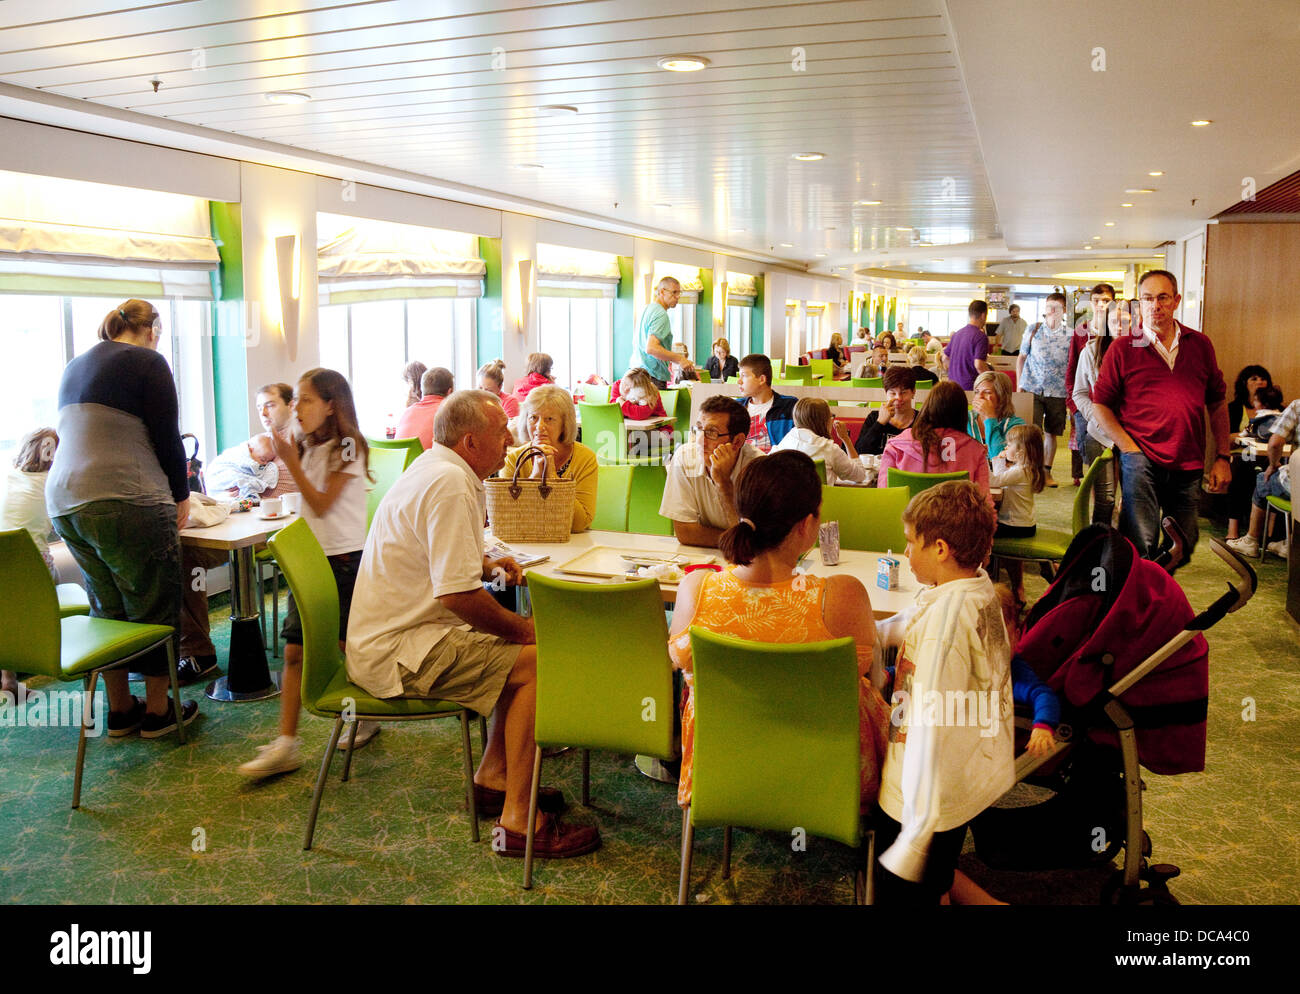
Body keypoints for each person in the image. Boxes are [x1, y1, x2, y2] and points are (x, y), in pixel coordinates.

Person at [345, 391, 600, 858]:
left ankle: (493, 778)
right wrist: (523, 628)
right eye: (501, 431)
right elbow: (456, 597)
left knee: (512, 652)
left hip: (393, 635)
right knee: (538, 660)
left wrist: (483, 562)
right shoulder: (449, 483)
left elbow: (437, 557)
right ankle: (519, 822)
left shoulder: (433, 468)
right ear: (470, 441)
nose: (510, 439)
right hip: (402, 651)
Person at [667, 450, 890, 810]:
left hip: (722, 769)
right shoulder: (841, 597)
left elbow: (678, 662)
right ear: (805, 525)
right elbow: (871, 679)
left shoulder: (696, 589)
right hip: (827, 779)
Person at [46, 299, 198, 738]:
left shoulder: (75, 364)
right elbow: (168, 437)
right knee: (154, 601)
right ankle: (156, 711)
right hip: (125, 494)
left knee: (106, 605)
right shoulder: (149, 361)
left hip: (65, 501)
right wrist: (181, 495)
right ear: (153, 329)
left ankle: (119, 710)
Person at [872, 480, 1014, 905]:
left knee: (903, 895)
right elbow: (903, 622)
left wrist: (914, 837)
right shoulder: (973, 587)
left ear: (940, 549)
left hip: (919, 798)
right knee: (935, 883)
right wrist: (865, 633)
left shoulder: (945, 630)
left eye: (910, 544)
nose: (905, 554)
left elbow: (932, 731)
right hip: (961, 781)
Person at [239, 369, 372, 777]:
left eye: (307, 399)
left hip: (345, 557)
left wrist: (290, 460)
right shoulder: (309, 445)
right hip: (314, 557)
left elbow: (320, 502)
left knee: (349, 645)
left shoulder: (348, 447)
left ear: (331, 404)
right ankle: (286, 744)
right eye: (295, 399)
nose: (298, 408)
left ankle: (367, 713)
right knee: (294, 649)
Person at [1091, 270, 1232, 566]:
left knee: (1182, 543)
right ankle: (1138, 603)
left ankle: (1156, 594)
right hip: (1141, 459)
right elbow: (1100, 405)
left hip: (1188, 460)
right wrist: (1128, 447)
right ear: (1139, 304)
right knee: (1141, 543)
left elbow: (1217, 403)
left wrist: (1222, 456)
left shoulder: (1200, 345)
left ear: (1176, 301)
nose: (1156, 305)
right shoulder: (1123, 348)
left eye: (1163, 297)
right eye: (1148, 298)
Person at [179, 382, 302, 685]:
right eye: (259, 405)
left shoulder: (307, 442)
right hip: (246, 523)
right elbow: (223, 471)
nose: (262, 411)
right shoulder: (256, 446)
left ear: (292, 405)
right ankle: (198, 653)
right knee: (184, 556)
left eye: (271, 404)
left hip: (286, 532)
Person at [660, 395, 760, 547]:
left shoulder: (757, 467)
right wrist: (734, 540)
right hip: (706, 556)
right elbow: (685, 532)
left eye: (712, 433)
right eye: (699, 429)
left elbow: (754, 541)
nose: (700, 441)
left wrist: (723, 482)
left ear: (737, 441)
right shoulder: (685, 458)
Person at [2, 427, 58, 697]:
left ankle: (8, 679)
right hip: (37, 568)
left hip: (5, 562)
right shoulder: (52, 482)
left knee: (7, 610)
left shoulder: (9, 477)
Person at [501, 384, 597, 533]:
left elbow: (579, 524)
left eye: (549, 419)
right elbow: (509, 518)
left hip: (572, 543)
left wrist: (552, 477)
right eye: (533, 417)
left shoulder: (585, 458)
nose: (539, 427)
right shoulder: (513, 459)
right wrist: (535, 476)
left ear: (564, 424)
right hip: (526, 543)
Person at [878, 381, 992, 503]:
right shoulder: (975, 450)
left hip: (908, 520)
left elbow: (884, 496)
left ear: (927, 407)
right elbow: (985, 503)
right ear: (962, 414)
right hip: (959, 521)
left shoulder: (896, 445)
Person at [1072, 300, 1130, 527]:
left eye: (1125, 322)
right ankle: (1100, 547)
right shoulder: (1091, 351)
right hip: (1100, 434)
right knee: (1105, 501)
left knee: (1134, 500)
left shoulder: (1144, 352)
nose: (1119, 326)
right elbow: (1079, 393)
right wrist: (1099, 416)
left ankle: (1129, 549)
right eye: (1114, 322)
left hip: (1135, 435)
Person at [1226, 396, 1298, 558]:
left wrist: (1273, 465)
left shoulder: (1296, 407)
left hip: (1295, 484)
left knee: (1264, 479)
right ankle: (1286, 540)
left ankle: (1251, 540)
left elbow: (1274, 444)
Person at [1016, 291, 1071, 487]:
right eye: (1049, 308)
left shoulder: (1070, 334)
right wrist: (1019, 386)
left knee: (1052, 433)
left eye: (1057, 308)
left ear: (1064, 310)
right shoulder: (1033, 330)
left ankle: (1047, 472)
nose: (1052, 311)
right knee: (1032, 431)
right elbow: (1022, 358)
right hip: (1032, 387)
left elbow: (1072, 364)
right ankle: (1032, 471)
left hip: (1058, 391)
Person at [988, 424, 1047, 601]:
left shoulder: (1021, 471)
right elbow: (1002, 477)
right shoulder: (1026, 470)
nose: (1006, 448)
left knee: (981, 534)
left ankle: (988, 581)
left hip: (1015, 526)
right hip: (1025, 525)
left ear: (1021, 451)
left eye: (1009, 445)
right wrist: (1001, 460)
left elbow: (995, 480)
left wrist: (989, 459)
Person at [1065, 285, 1117, 484]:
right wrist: (1074, 405)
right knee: (1091, 456)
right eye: (1096, 301)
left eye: (1105, 301)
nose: (1100, 305)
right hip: (1085, 403)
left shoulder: (1119, 330)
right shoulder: (1081, 332)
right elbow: (1072, 367)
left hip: (1112, 406)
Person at [1223, 364, 1273, 540]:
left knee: (1272, 471)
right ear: (1245, 383)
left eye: (1263, 378)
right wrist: (1250, 431)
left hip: (1269, 456)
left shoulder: (1277, 409)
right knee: (1245, 465)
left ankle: (1270, 535)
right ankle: (1233, 530)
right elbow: (1226, 439)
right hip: (1241, 454)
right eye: (1254, 379)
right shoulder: (1235, 407)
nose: (1260, 382)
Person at [774, 397, 867, 485]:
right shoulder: (829, 449)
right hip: (822, 500)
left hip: (787, 500)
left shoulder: (787, 440)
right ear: (825, 421)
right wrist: (846, 439)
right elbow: (860, 475)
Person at [630, 277, 694, 388]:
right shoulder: (661, 314)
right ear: (662, 292)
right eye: (674, 292)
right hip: (652, 376)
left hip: (635, 374)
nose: (677, 297)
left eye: (679, 293)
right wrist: (680, 359)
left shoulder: (648, 309)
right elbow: (651, 348)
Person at [735, 353, 796, 452]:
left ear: (762, 379)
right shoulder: (736, 407)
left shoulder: (789, 406)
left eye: (744, 376)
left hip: (775, 463)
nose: (739, 381)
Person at [611, 367, 672, 461]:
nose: (625, 388)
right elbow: (613, 409)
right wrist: (627, 405)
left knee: (629, 438)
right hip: (632, 432)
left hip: (661, 432)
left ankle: (633, 467)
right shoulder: (617, 385)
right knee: (621, 437)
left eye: (631, 387)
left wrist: (622, 403)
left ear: (641, 390)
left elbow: (640, 414)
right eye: (624, 383)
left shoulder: (651, 392)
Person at [855, 365, 918, 456]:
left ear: (913, 392)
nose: (898, 398)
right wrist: (880, 423)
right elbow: (860, 451)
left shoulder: (922, 420)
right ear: (886, 393)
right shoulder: (874, 418)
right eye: (893, 393)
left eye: (903, 393)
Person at [395, 367, 454, 451]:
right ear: (450, 392)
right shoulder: (448, 413)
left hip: (400, 463)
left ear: (422, 391)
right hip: (429, 463)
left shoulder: (407, 412)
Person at [969, 370, 1024, 459]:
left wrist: (989, 418)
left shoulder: (1016, 425)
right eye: (977, 391)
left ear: (1002, 396)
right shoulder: (964, 418)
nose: (980, 396)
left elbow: (1000, 460)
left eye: (987, 392)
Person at [942, 300, 992, 391]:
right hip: (970, 387)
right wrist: (992, 381)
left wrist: (956, 373)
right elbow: (979, 365)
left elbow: (945, 358)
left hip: (952, 386)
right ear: (983, 315)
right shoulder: (981, 337)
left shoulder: (957, 334)